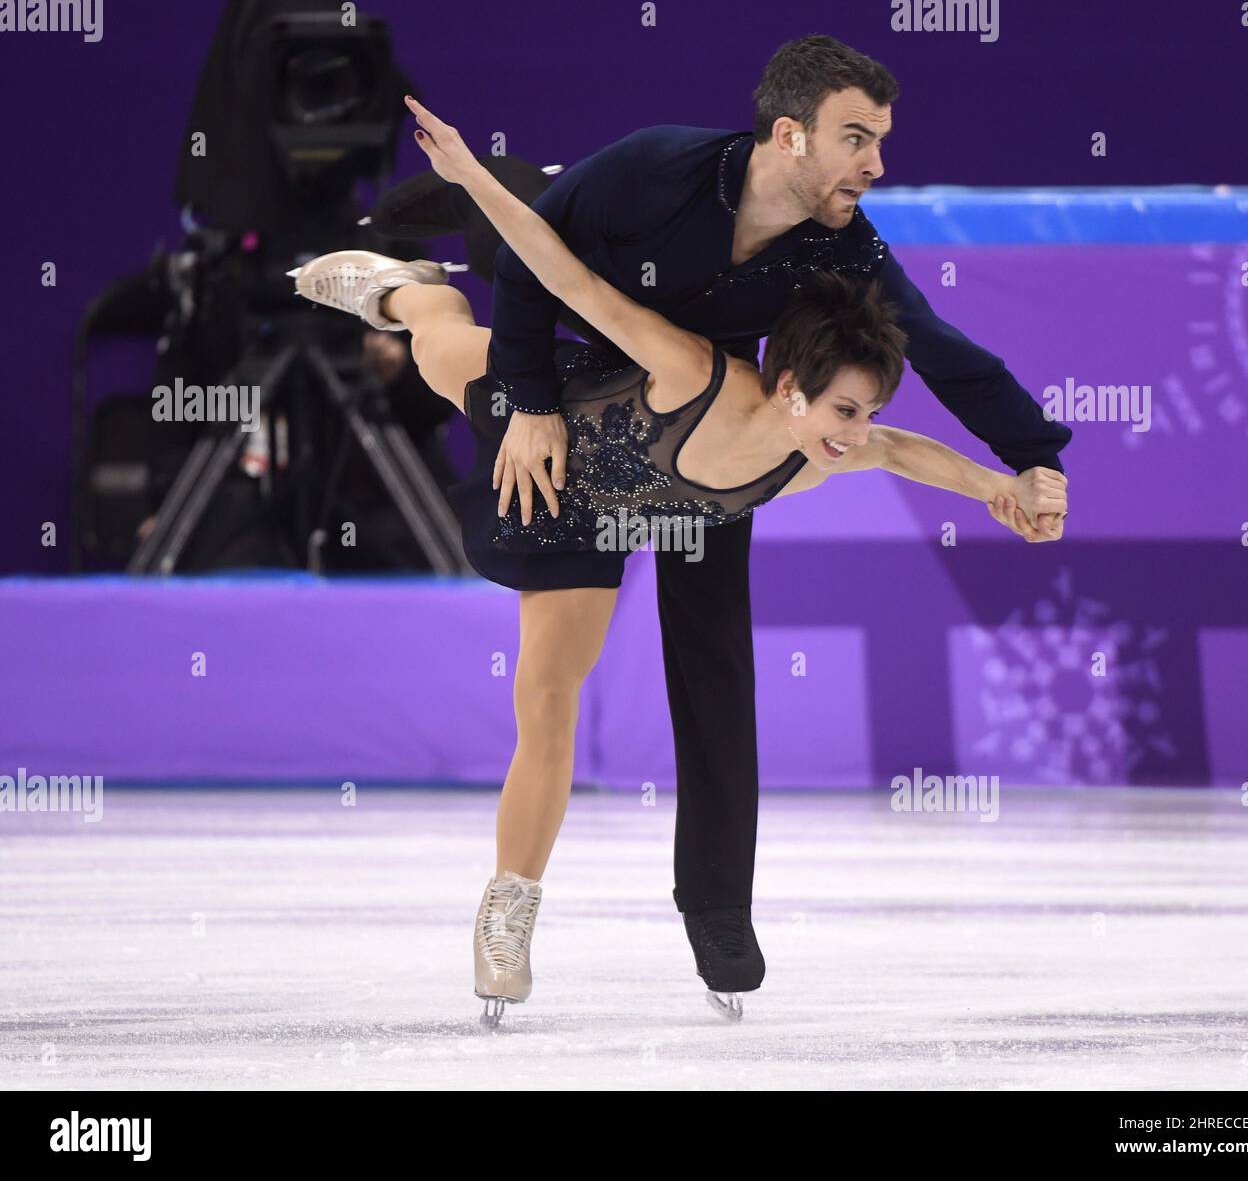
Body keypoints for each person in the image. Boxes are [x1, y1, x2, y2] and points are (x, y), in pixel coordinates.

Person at [289, 89, 1068, 1024]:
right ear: (788, 390)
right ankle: (404, 283)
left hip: (636, 506)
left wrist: (1006, 483)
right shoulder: (701, 369)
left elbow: (910, 448)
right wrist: (467, 179)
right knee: (442, 346)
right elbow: (564, 276)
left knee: (559, 691)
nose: (856, 436)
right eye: (843, 414)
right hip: (557, 453)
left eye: (862, 415)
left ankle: (532, 912)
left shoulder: (817, 453)